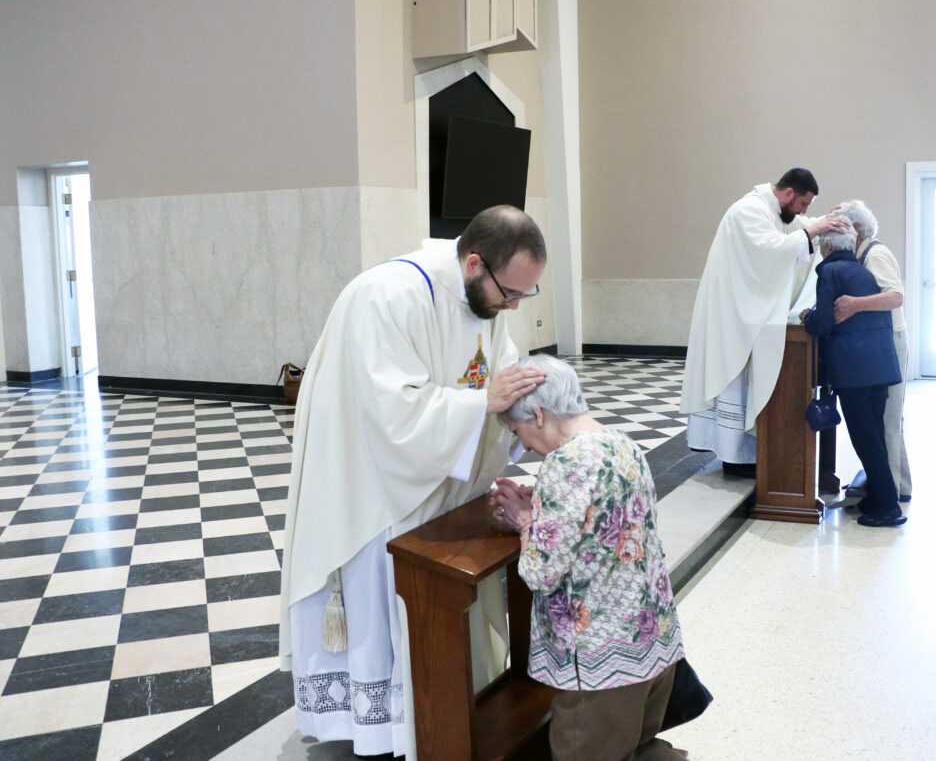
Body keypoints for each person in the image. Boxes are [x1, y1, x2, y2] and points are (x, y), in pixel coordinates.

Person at [277, 205, 548, 758]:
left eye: (527, 294)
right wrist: (482, 402)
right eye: (512, 293)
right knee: (383, 607)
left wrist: (530, 418)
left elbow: (502, 373)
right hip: (376, 493)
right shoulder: (388, 297)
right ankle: (377, 727)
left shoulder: (484, 298)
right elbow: (390, 416)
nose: (515, 307)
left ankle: (443, 708)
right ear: (475, 263)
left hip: (438, 488)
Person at [490, 355, 686, 761]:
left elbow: (540, 573)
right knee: (640, 749)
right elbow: (600, 529)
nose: (523, 445)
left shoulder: (566, 463)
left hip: (599, 665)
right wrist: (545, 511)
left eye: (517, 430)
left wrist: (526, 520)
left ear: (538, 415)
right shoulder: (623, 444)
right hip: (650, 643)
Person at [680, 168, 847, 474]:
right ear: (787, 194)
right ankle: (733, 456)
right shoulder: (749, 210)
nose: (803, 211)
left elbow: (800, 227)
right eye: (802, 203)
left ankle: (748, 455)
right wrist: (812, 231)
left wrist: (824, 224)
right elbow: (769, 249)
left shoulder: (776, 212)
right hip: (732, 315)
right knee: (734, 384)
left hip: (746, 314)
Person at [801, 228, 905, 527]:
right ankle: (879, 497)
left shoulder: (831, 271)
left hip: (855, 369)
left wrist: (808, 316)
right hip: (880, 365)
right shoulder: (862, 271)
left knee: (865, 438)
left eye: (822, 245)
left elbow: (822, 324)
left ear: (828, 246)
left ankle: (888, 508)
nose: (820, 250)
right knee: (874, 437)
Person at [829, 199, 913, 502]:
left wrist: (854, 304)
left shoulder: (875, 254)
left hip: (891, 340)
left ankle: (885, 492)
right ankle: (898, 486)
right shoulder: (865, 253)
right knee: (888, 422)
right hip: (885, 340)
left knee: (888, 422)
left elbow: (895, 296)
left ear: (856, 229)